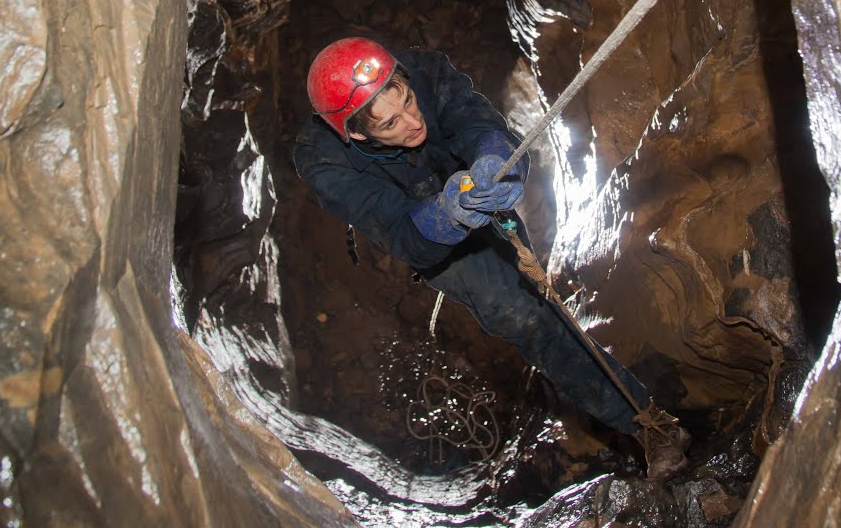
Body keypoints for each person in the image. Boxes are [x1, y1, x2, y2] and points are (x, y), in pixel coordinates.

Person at [292, 36, 686, 468]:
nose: (412, 121)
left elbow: (475, 120)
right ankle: (646, 426)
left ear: (400, 77)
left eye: (406, 100)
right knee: (521, 315)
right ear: (354, 134)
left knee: (537, 298)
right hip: (436, 240)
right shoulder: (326, 162)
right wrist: (444, 218)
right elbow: (399, 232)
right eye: (389, 125)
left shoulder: (423, 70)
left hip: (473, 182)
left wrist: (496, 157)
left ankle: (566, 358)